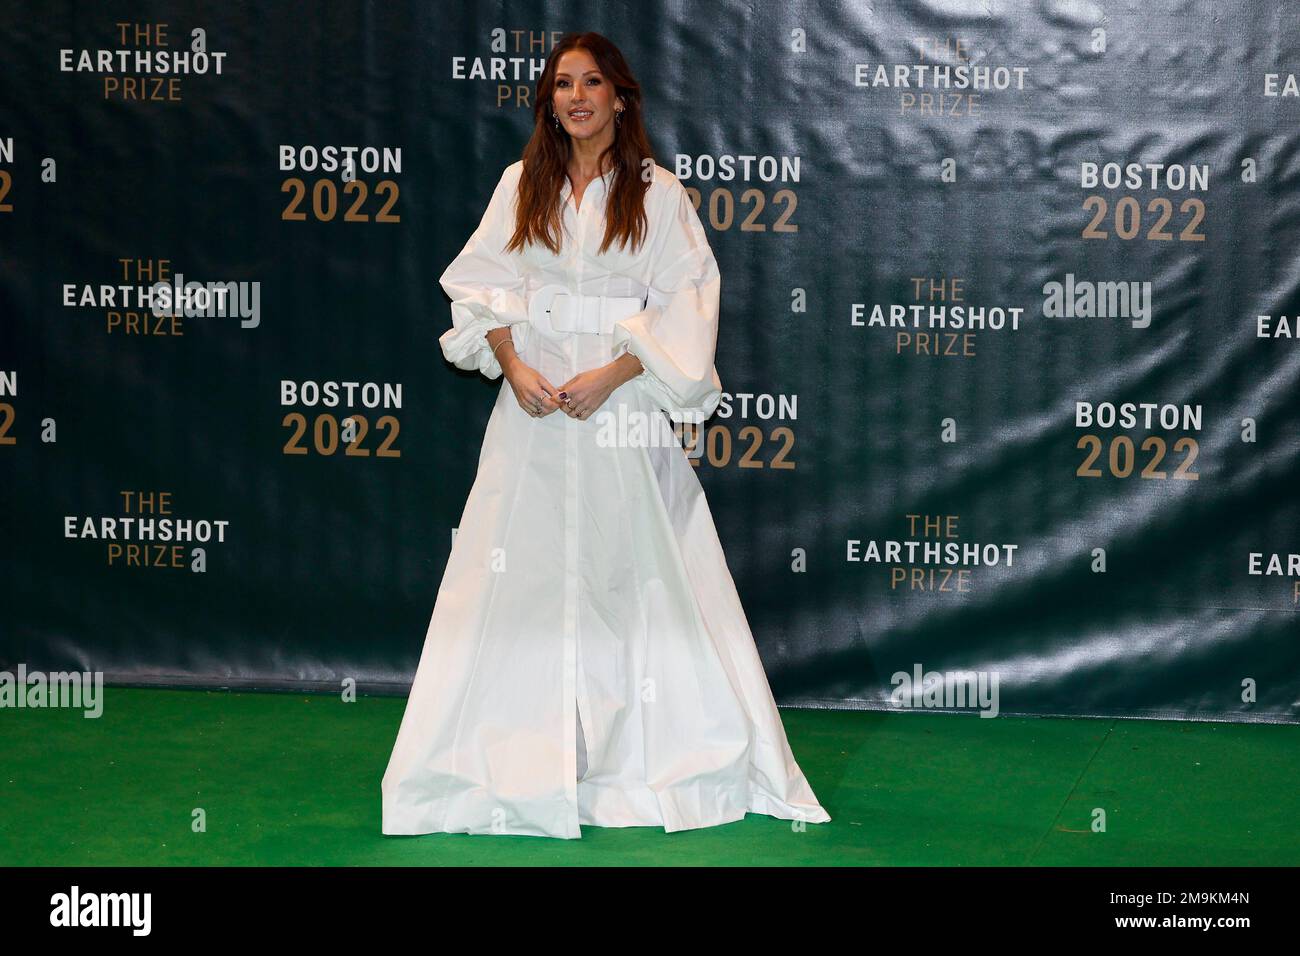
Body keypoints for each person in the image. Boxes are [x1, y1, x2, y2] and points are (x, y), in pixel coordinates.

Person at [381, 32, 830, 839]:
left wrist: (614, 375)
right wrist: (513, 365)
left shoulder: (660, 196)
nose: (576, 97)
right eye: (562, 85)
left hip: (621, 416)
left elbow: (687, 305)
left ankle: (641, 759)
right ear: (548, 101)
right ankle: (515, 762)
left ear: (621, 98)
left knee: (641, 581)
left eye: (592, 83)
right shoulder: (521, 186)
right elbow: (480, 288)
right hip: (533, 417)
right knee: (518, 585)